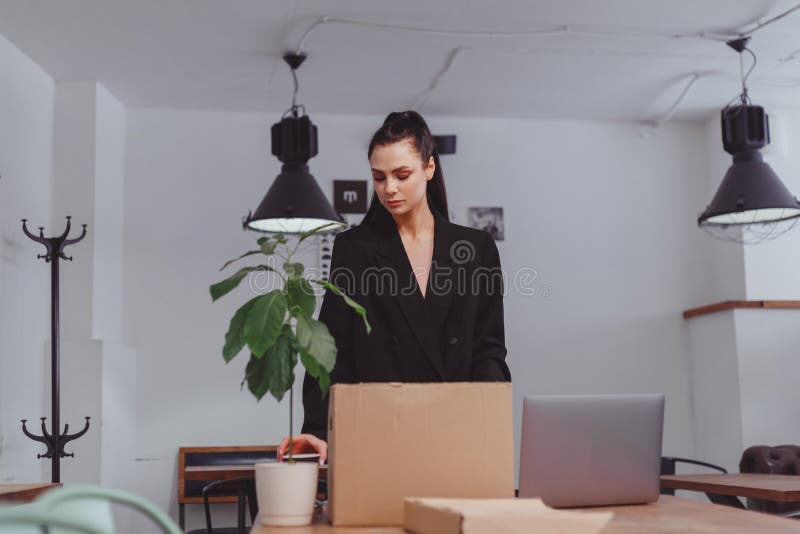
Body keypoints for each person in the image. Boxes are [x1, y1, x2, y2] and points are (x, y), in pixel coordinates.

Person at [278, 111, 511, 463]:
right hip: (380, 433)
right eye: (379, 177)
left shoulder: (476, 249)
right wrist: (316, 430)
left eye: (402, 175)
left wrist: (488, 419)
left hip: (458, 432)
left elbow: (489, 351)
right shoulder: (355, 249)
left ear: (429, 168)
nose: (390, 188)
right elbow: (329, 351)